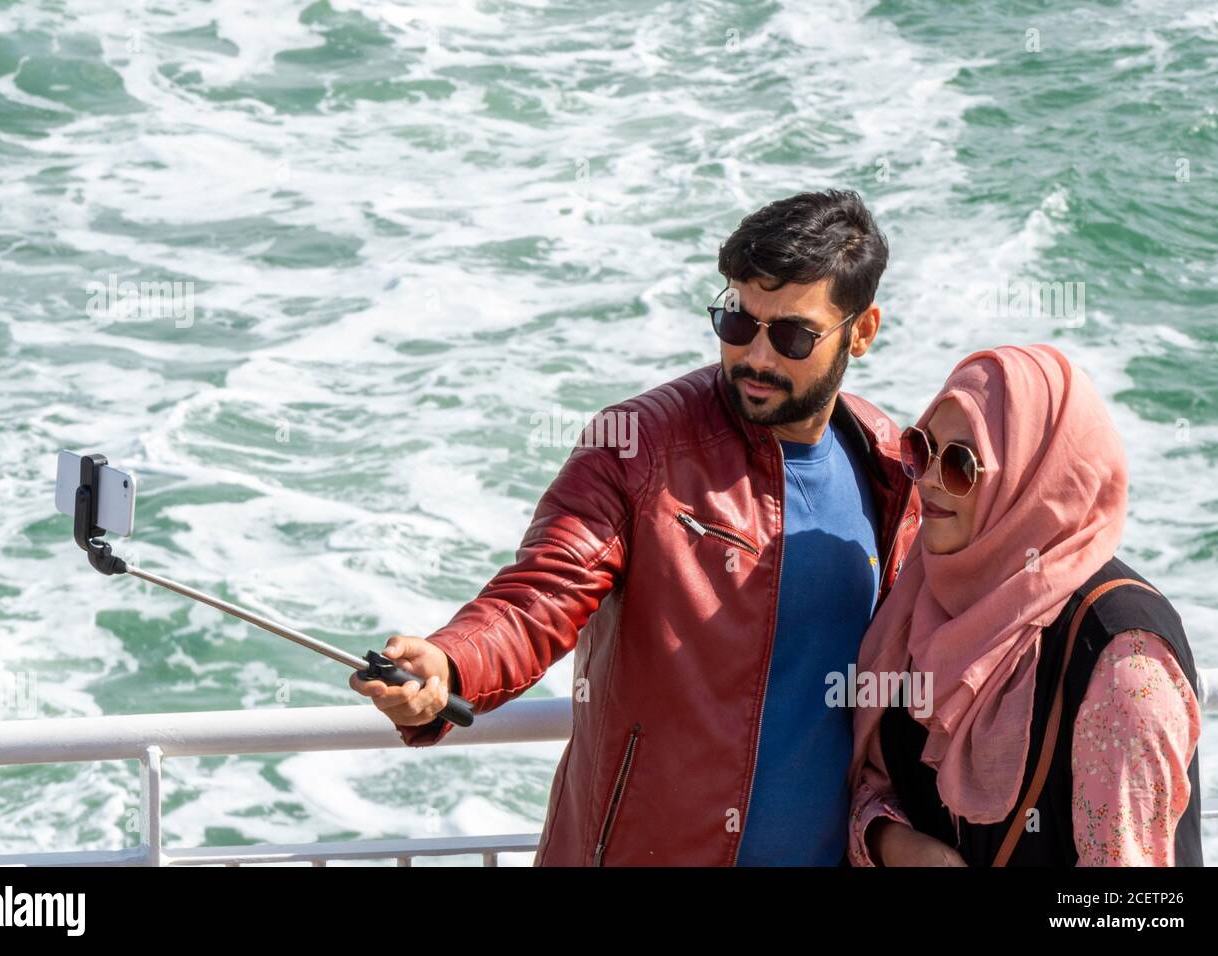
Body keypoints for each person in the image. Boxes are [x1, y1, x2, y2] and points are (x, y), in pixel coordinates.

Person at [349, 189, 921, 865]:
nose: (756, 356)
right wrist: (451, 662)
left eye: (793, 335)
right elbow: (543, 591)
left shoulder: (890, 464)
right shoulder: (640, 446)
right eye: (738, 322)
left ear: (862, 330)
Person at [847, 343, 1202, 867]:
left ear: (1033, 476)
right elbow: (871, 787)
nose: (928, 480)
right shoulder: (922, 600)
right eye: (920, 449)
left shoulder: (1121, 661)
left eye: (962, 464)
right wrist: (894, 845)